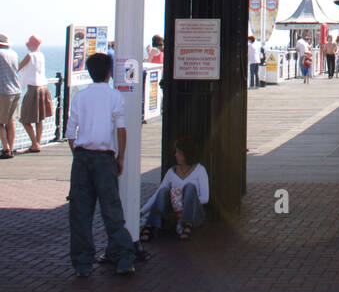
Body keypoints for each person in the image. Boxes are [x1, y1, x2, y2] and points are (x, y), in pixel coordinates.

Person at [65, 51, 136, 277]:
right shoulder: (115, 97)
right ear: (108, 72)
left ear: (89, 71)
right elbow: (121, 130)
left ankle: (82, 263)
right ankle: (123, 258)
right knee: (112, 210)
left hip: (82, 157)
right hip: (105, 158)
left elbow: (70, 133)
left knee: (80, 213)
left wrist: (78, 154)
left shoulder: (79, 97)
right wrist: (120, 157)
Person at [139, 137, 209, 242]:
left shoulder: (200, 170)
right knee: (163, 191)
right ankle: (151, 225)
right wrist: (142, 211)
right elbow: (158, 194)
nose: (176, 155)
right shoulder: (171, 172)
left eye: (179, 153)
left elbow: (205, 198)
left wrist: (183, 199)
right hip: (174, 212)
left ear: (187, 154)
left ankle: (187, 224)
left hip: (194, 213)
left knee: (189, 187)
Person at [19, 34, 52, 151]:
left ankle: (34, 143)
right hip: (43, 87)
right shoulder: (41, 55)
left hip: (33, 89)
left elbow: (18, 67)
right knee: (39, 119)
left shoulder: (30, 56)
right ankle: (36, 143)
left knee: (24, 118)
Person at [0, 33, 21, 158]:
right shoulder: (14, 54)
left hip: (3, 91)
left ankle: (6, 148)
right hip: (16, 90)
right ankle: (11, 148)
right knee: (11, 120)